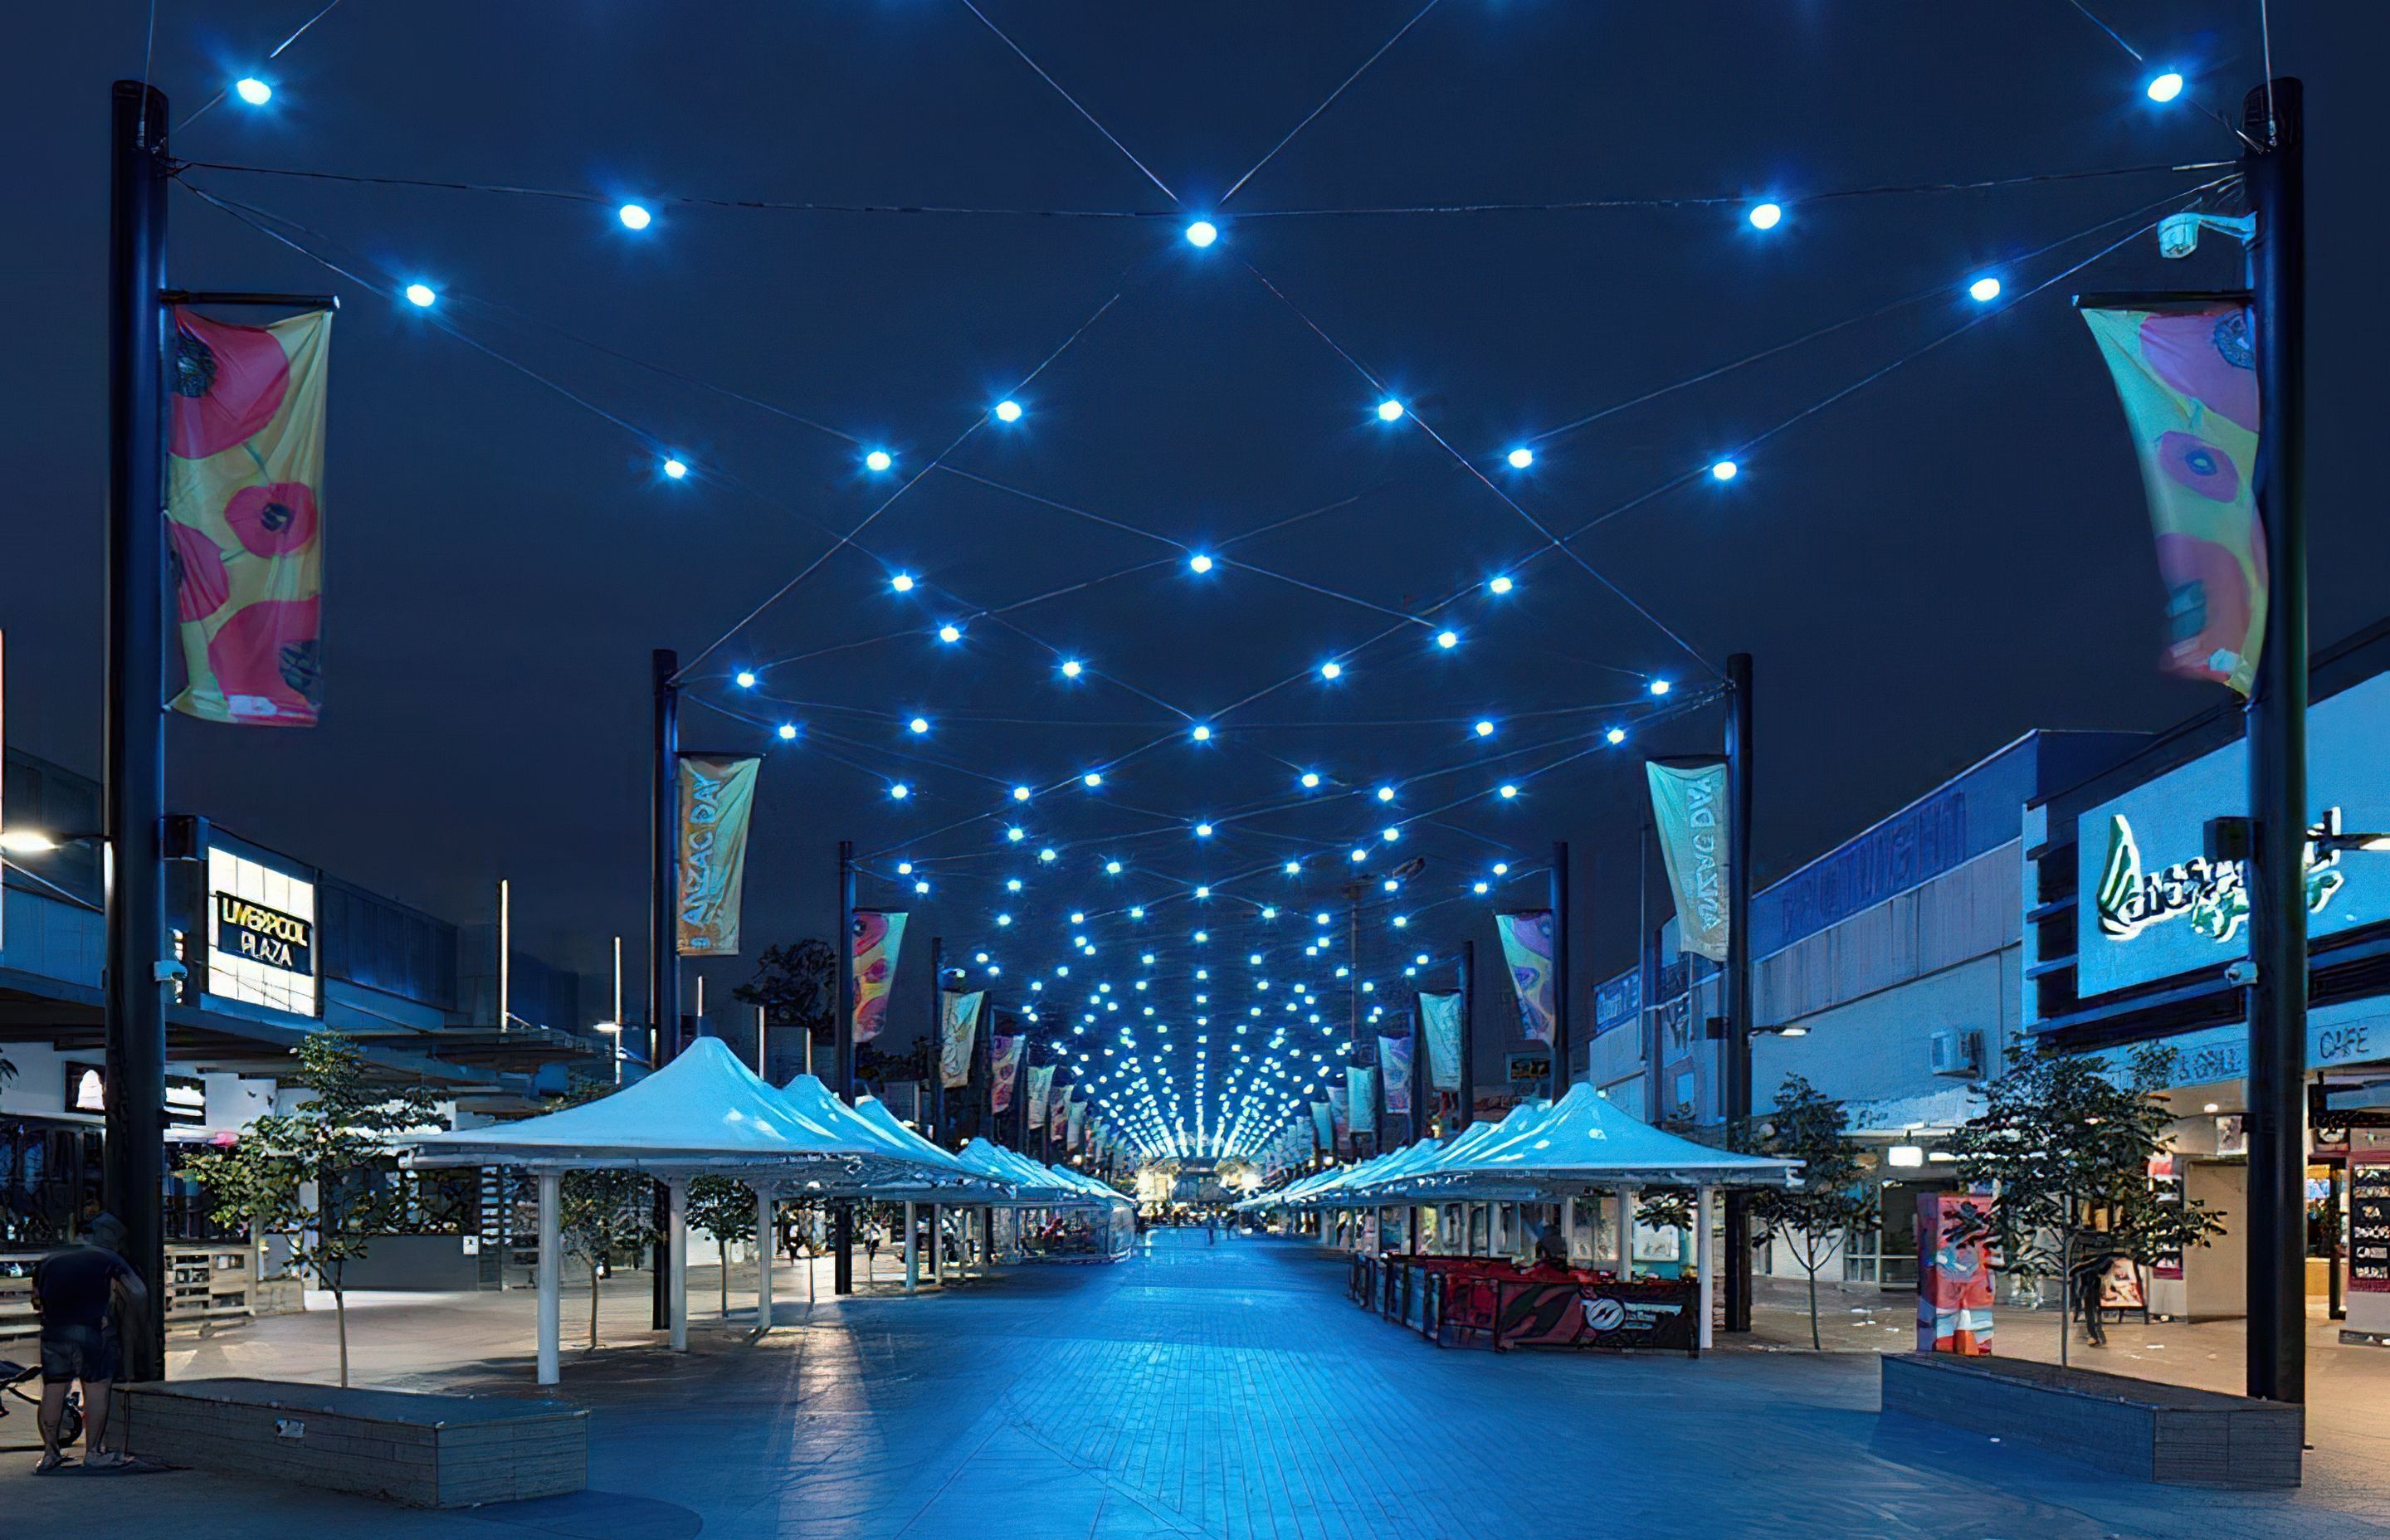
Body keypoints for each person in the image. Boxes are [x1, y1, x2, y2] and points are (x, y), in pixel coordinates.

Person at [32, 1212, 147, 1473]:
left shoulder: (50, 1260)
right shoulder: (107, 1257)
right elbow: (138, 1292)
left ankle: (50, 1454)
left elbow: (37, 1298)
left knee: (53, 1390)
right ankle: (93, 1452)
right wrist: (137, 1323)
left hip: (54, 1333)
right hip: (93, 1332)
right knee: (96, 1389)